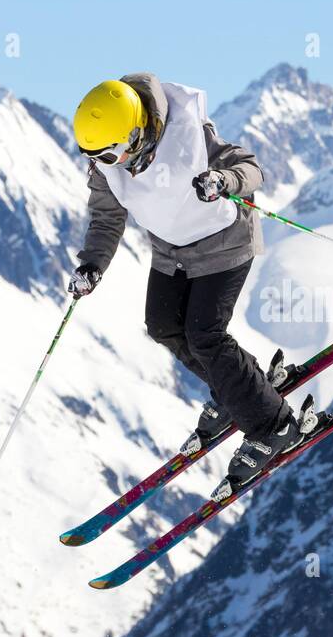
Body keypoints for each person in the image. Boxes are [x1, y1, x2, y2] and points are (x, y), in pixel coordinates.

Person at [66, 74, 318, 488]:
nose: (104, 165)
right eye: (94, 157)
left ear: (134, 133)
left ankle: (273, 426)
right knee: (164, 327)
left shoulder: (188, 134)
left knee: (205, 335)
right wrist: (92, 265)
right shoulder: (108, 166)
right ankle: (239, 387)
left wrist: (223, 181)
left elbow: (251, 169)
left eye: (109, 156)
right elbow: (108, 216)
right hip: (174, 253)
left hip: (224, 245)